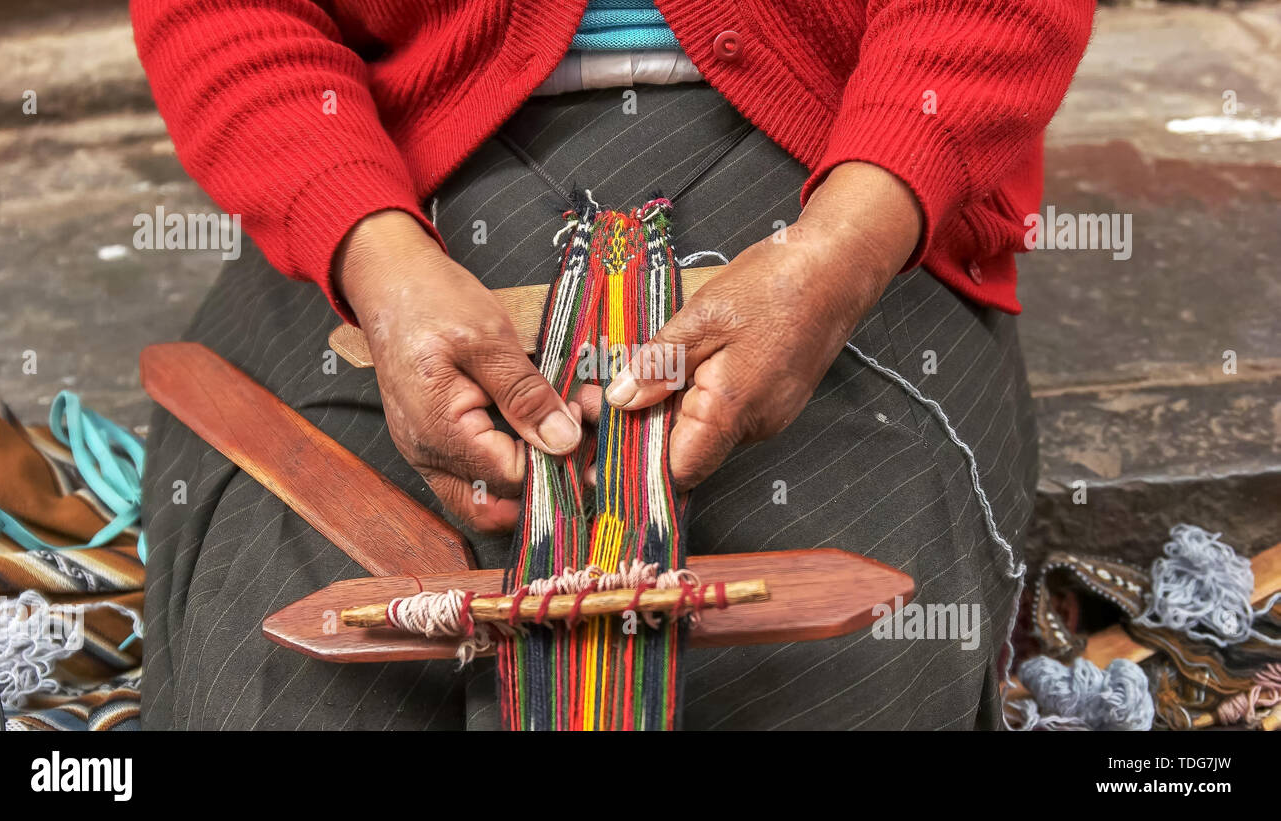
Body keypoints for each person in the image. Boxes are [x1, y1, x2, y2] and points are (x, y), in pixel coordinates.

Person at [131, 0, 1094, 730]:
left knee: (844, 666)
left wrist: (839, 254)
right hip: (391, 169)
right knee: (289, 671)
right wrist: (374, 258)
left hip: (841, 164)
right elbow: (226, 20)